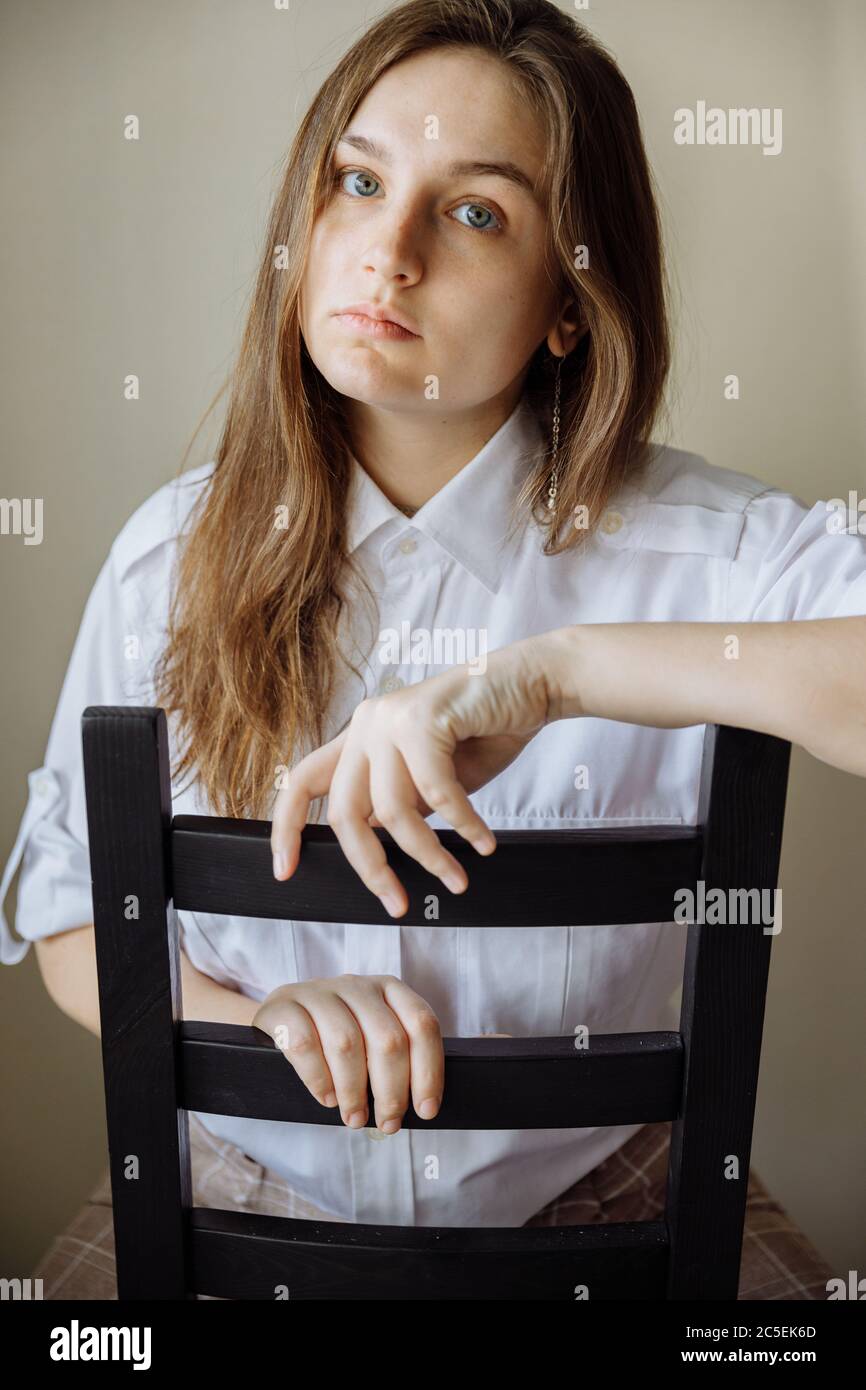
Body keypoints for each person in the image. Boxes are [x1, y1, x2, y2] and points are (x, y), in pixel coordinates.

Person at [2, 0, 861, 1299]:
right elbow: (70, 909)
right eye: (355, 182)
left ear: (570, 300)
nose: (384, 252)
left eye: (473, 212)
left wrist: (557, 671)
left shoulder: (716, 547)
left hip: (619, 1190)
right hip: (228, 1185)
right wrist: (258, 1021)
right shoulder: (162, 556)